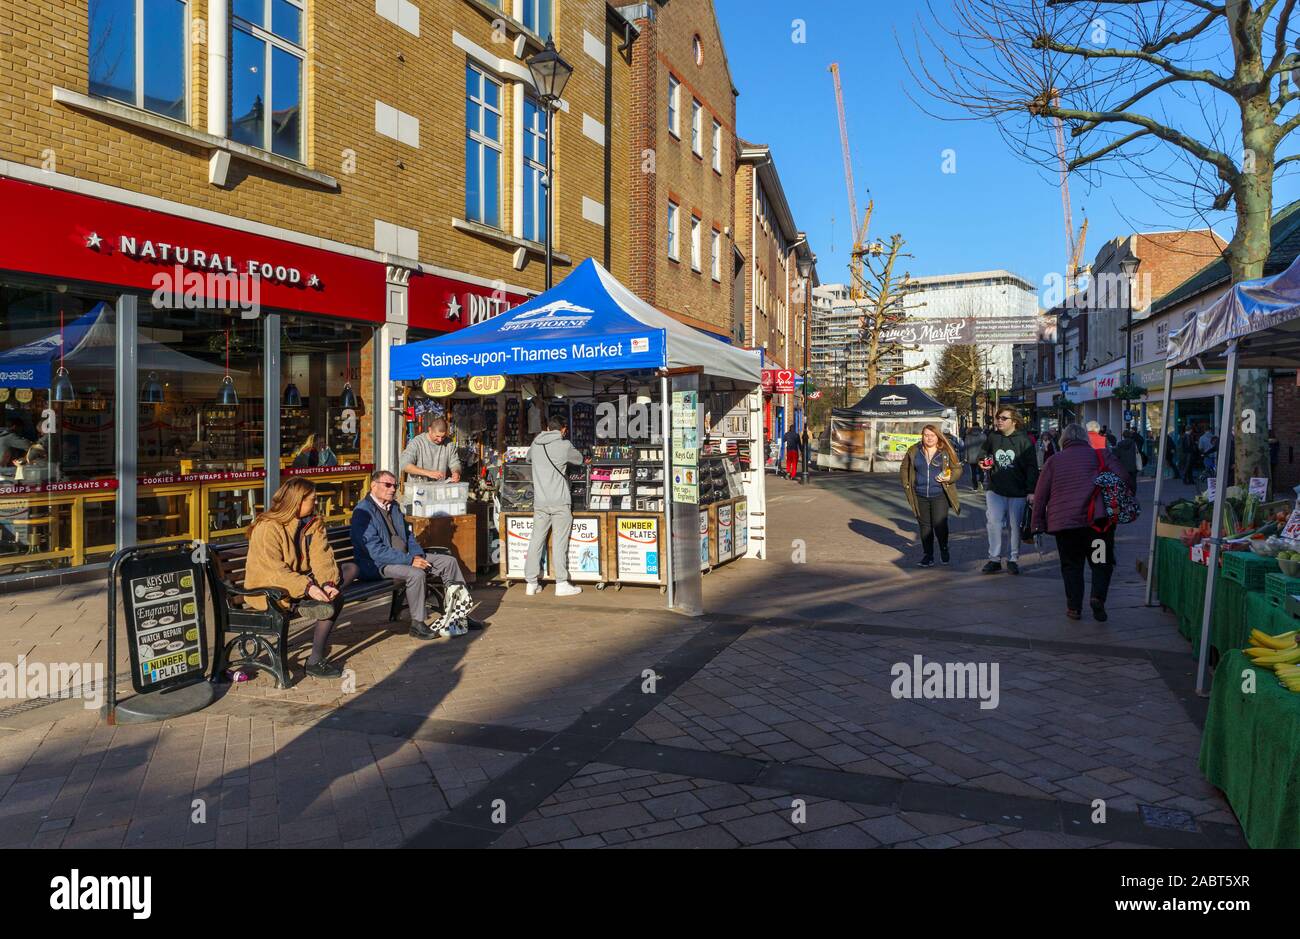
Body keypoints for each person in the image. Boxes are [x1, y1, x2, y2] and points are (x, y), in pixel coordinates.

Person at [244, 478, 359, 678]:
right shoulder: (268, 527)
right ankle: (306, 611)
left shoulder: (313, 523)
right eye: (311, 500)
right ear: (297, 501)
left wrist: (328, 583)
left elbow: (321, 557)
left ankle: (314, 654)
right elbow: (274, 571)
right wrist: (308, 588)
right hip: (271, 589)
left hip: (300, 581)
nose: (315, 503)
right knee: (333, 598)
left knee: (348, 574)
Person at [351, 469, 478, 640]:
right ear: (373, 486)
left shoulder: (394, 506)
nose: (392, 489)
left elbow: (409, 535)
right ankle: (417, 624)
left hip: (403, 557)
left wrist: (417, 554)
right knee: (415, 574)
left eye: (395, 485)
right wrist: (410, 560)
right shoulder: (363, 512)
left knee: (448, 562)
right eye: (387, 485)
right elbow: (375, 552)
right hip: (377, 565)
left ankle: (458, 615)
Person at [1030, 423, 1129, 622]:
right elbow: (1125, 479)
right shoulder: (1101, 455)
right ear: (1086, 439)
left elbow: (1040, 495)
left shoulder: (1054, 461)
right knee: (1101, 562)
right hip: (1098, 525)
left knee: (1071, 566)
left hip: (1067, 527)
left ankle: (1074, 607)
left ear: (1063, 440)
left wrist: (1037, 523)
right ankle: (1097, 597)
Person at [525, 415, 586, 597]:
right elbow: (580, 459)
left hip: (540, 501)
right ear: (563, 429)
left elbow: (528, 460)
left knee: (536, 541)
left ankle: (531, 583)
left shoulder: (535, 444)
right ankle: (561, 583)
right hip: (559, 501)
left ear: (547, 427)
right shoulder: (564, 445)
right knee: (559, 542)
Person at [978, 406, 1038, 575]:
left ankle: (1013, 559)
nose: (999, 421)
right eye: (998, 418)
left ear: (1014, 421)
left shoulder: (1024, 441)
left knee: (1015, 526)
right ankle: (994, 559)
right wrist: (983, 461)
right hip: (995, 488)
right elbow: (983, 453)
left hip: (1018, 491)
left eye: (1003, 418)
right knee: (994, 523)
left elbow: (1032, 468)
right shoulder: (993, 437)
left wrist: (1031, 490)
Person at [899, 425, 963, 567]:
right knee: (925, 527)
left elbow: (957, 469)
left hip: (939, 494)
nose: (929, 438)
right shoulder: (914, 451)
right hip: (920, 495)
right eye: (926, 435)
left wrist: (950, 477)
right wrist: (906, 484)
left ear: (938, 437)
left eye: (932, 435)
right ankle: (928, 555)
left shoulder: (945, 452)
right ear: (922, 436)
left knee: (939, 526)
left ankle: (944, 548)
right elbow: (904, 468)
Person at [400, 418, 462, 488]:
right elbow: (404, 465)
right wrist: (428, 473)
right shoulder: (417, 442)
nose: (440, 440)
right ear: (430, 430)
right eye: (437, 436)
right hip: (417, 490)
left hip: (438, 490)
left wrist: (456, 472)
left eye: (443, 437)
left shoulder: (449, 444)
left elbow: (455, 462)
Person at [964, 424, 987, 491]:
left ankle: (975, 487)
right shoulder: (983, 436)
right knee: (981, 471)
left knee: (973, 472)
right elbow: (986, 447)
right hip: (981, 456)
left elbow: (966, 448)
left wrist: (965, 457)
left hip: (971, 457)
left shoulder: (968, 437)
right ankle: (981, 482)